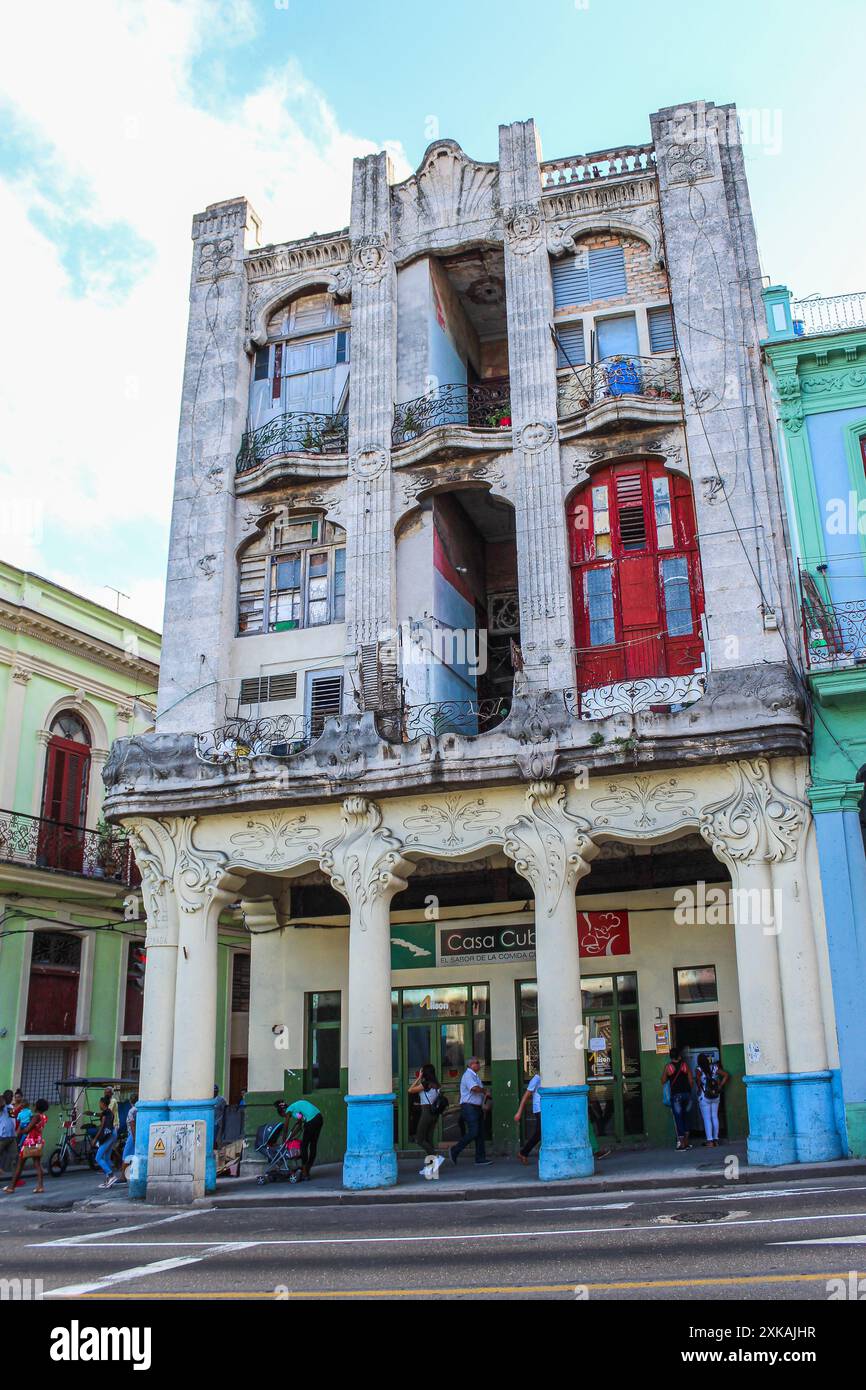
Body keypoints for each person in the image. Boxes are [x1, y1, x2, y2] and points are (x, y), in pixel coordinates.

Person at [449, 1057, 491, 1167]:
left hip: (476, 1107)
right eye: (477, 1063)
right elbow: (475, 1089)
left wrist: (483, 1103)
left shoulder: (474, 1076)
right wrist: (485, 1091)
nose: (479, 1065)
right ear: (471, 1064)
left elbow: (478, 1093)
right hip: (469, 1107)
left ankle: (480, 1158)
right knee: (474, 1131)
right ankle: (455, 1150)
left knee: (480, 1134)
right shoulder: (468, 1076)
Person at [4, 1099, 49, 1194]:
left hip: (30, 1142)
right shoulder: (44, 1117)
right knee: (37, 1164)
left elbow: (28, 1129)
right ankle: (40, 1186)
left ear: (36, 1106)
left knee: (20, 1165)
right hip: (38, 1141)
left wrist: (22, 1128)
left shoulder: (35, 1116)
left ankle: (11, 1187)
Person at [409, 1064, 445, 1174]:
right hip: (435, 1113)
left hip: (426, 1112)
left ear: (424, 1072)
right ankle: (431, 1168)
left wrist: (418, 1078)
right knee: (428, 1139)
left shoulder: (425, 1084)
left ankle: (435, 1158)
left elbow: (410, 1090)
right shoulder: (436, 1085)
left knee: (419, 1139)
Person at [279, 1097, 323, 1179]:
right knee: (313, 1145)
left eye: (284, 1116)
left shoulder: (289, 1111)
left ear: (283, 1112)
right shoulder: (295, 1108)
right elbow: (299, 1126)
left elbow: (286, 1127)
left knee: (304, 1146)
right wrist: (290, 1137)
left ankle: (305, 1171)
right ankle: (307, 1168)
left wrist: (284, 1139)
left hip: (311, 1121)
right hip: (319, 1118)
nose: (285, 1117)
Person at [662, 1048, 694, 1151]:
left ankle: (682, 1144)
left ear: (671, 1056)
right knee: (686, 1117)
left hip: (676, 1096)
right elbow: (691, 1081)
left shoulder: (669, 1067)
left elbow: (663, 1080)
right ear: (679, 1056)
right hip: (687, 1095)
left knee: (678, 1119)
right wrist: (688, 1091)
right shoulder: (684, 1065)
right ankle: (687, 1142)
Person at [695, 1053, 729, 1147]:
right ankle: (716, 1140)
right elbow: (726, 1075)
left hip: (704, 1096)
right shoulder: (714, 1068)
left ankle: (710, 1141)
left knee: (707, 1118)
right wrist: (720, 1086)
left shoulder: (699, 1069)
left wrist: (699, 1086)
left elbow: (698, 1082)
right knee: (714, 1116)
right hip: (715, 1095)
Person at [515, 1073, 542, 1164]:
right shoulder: (536, 1078)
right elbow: (526, 1095)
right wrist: (519, 1112)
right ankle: (523, 1152)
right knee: (539, 1133)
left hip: (547, 1108)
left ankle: (524, 1152)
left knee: (541, 1133)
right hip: (539, 1108)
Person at [94, 1097, 117, 1188]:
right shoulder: (109, 1112)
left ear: (103, 1103)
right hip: (113, 1133)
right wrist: (92, 1113)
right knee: (106, 1158)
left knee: (98, 1158)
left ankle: (111, 1175)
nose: (99, 1104)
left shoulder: (105, 1113)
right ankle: (109, 1181)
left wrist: (95, 1139)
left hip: (108, 1135)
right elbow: (100, 1115)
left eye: (100, 1103)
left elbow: (102, 1126)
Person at [116, 1095, 138, 1186]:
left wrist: (133, 1137)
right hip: (137, 1134)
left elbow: (132, 1124)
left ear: (130, 1102)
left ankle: (123, 1176)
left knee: (126, 1156)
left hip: (132, 1135)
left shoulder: (131, 1111)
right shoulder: (139, 1110)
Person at [0, 1092, 17, 1175]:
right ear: (5, 1097)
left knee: (15, 1157)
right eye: (9, 1096)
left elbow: (12, 1120)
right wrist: (2, 1098)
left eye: (12, 1096)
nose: (11, 1098)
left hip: (11, 1137)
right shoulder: (2, 1107)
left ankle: (15, 1179)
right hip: (2, 1136)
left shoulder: (10, 1107)